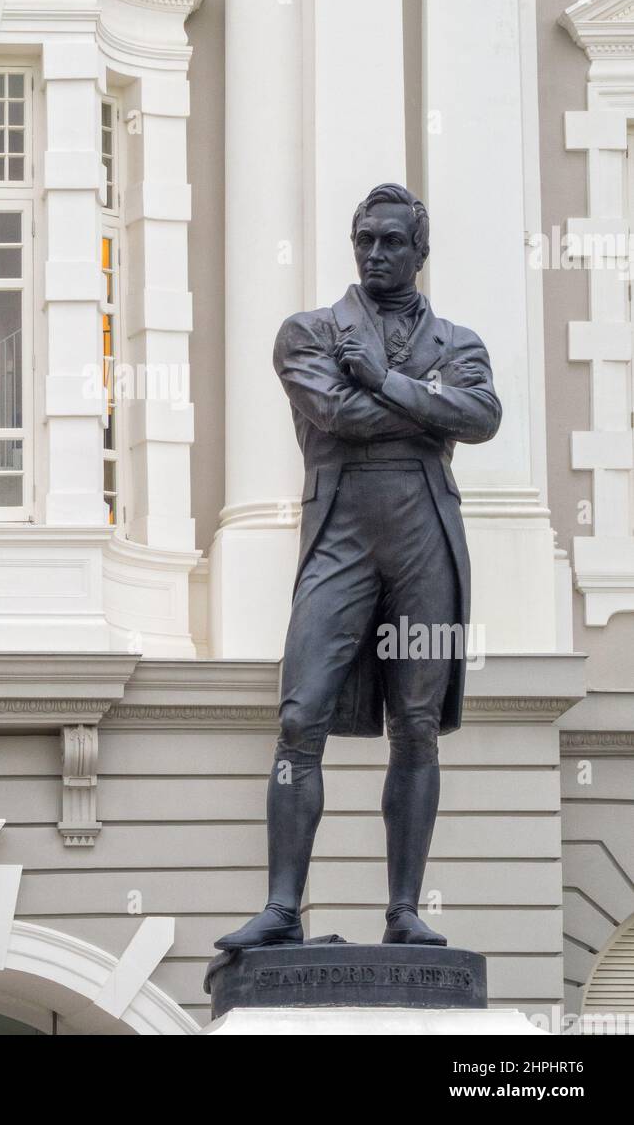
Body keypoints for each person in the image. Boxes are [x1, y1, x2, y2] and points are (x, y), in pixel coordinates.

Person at [216, 182, 501, 951]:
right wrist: (421, 407)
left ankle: (403, 909)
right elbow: (333, 416)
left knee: (416, 726)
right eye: (364, 240)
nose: (375, 254)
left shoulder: (460, 341)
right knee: (297, 715)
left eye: (391, 242)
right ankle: (282, 907)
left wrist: (379, 380)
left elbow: (480, 418)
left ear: (420, 251)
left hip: (426, 545)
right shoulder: (306, 332)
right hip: (339, 537)